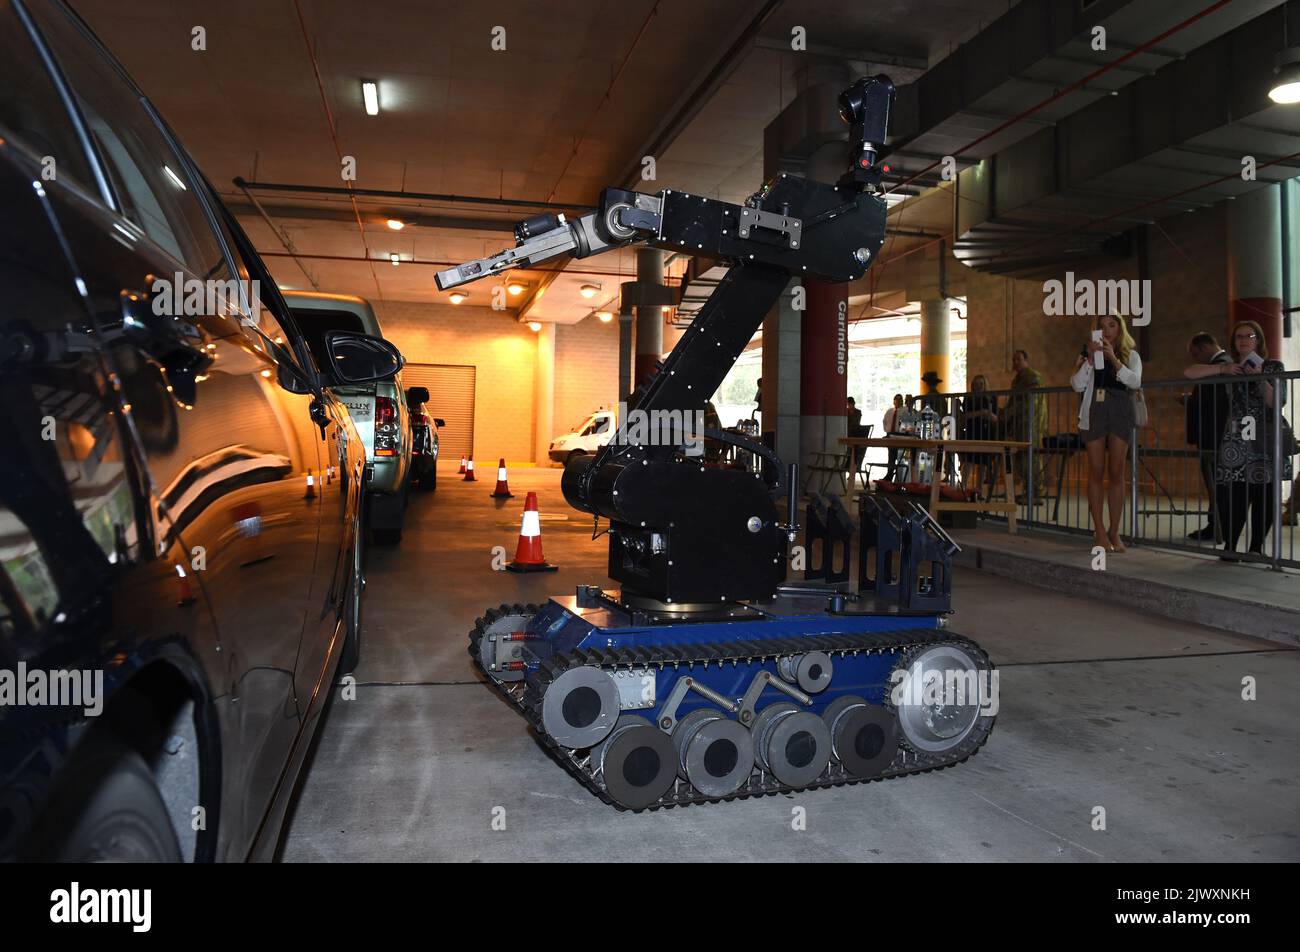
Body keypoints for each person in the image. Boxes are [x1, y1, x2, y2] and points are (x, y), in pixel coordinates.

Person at [1214, 320, 1288, 559]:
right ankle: (1230, 546)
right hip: (1237, 439)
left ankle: (1256, 547)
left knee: (1264, 493)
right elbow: (1189, 372)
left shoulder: (1273, 366)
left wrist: (1260, 378)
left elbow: (1277, 402)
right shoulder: (1231, 367)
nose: (1244, 340)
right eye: (1239, 337)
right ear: (1234, 343)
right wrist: (1224, 369)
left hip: (1265, 439)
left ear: (1259, 340)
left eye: (1250, 336)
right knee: (1232, 493)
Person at [1071, 314, 1143, 552]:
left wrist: (1114, 359)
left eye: (1112, 325)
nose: (1107, 331)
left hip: (1121, 412)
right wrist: (1090, 360)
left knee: (1116, 473)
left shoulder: (1131, 355)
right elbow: (1077, 384)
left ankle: (1114, 530)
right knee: (1095, 471)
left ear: (1120, 328)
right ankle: (1099, 530)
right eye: (1101, 327)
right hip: (1095, 412)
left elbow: (1135, 382)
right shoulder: (1088, 355)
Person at [1182, 332, 1231, 541]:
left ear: (1203, 348)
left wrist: (1190, 401)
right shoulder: (1223, 365)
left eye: (1195, 354)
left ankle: (1216, 527)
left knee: (1216, 484)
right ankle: (1217, 526)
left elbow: (1212, 402)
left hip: (1214, 435)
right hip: (1214, 434)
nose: (1196, 360)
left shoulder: (1221, 366)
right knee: (1217, 484)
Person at [1003, 349, 1047, 502]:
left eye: (1018, 360)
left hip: (1031, 423)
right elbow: (1012, 401)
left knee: (1031, 457)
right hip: (1018, 424)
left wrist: (1012, 411)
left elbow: (1032, 401)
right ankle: (1028, 490)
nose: (1015, 363)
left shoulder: (1034, 377)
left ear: (1026, 360)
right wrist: (1005, 414)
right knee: (1021, 459)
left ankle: (1036, 492)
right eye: (1014, 360)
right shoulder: (1016, 381)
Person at [959, 375, 998, 496]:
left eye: (981, 384)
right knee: (969, 460)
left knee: (983, 462)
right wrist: (979, 413)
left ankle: (979, 490)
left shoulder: (991, 398)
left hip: (986, 432)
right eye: (976, 384)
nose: (978, 386)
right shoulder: (968, 398)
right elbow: (964, 416)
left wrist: (988, 414)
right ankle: (963, 487)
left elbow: (996, 418)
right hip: (972, 431)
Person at [882, 394, 904, 481]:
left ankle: (897, 475)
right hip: (890, 434)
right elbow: (884, 422)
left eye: (900, 399)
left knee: (898, 455)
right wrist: (887, 431)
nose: (898, 401)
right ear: (893, 401)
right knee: (891, 455)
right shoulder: (889, 411)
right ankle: (890, 473)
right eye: (897, 399)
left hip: (900, 435)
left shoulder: (905, 411)